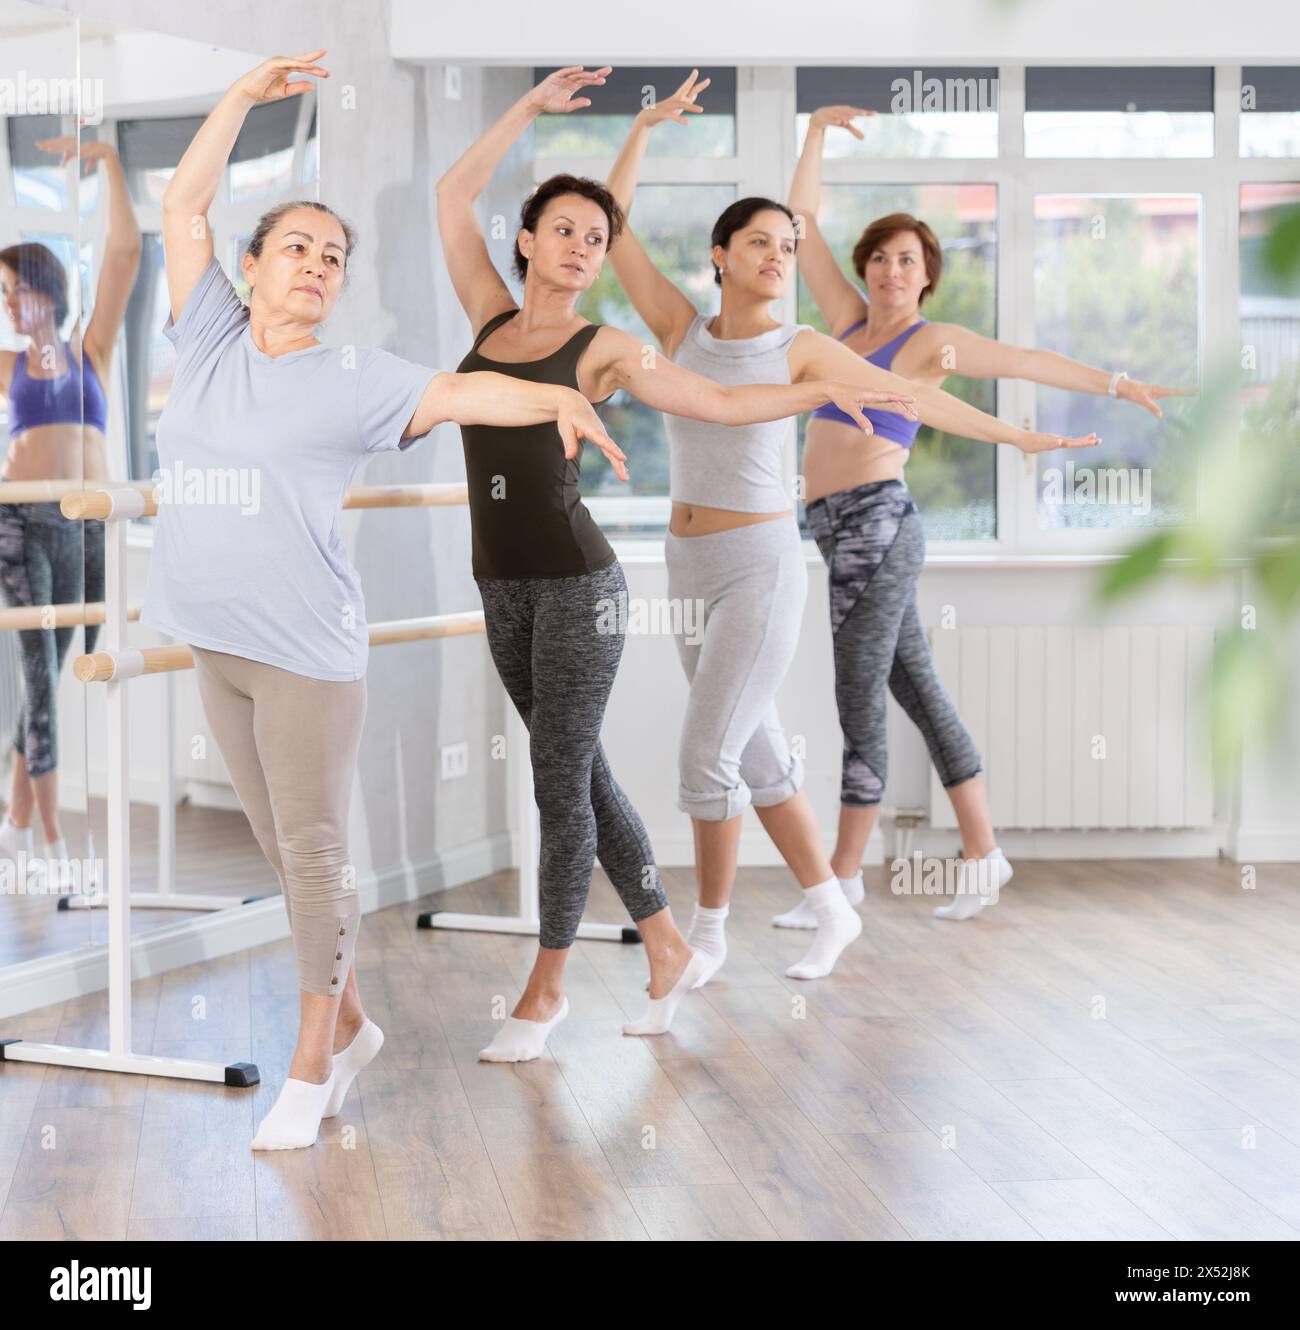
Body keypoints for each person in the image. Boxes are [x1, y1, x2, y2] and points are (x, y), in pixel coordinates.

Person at [145, 51, 630, 1150]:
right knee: (280, 853)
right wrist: (238, 101)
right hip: (213, 641)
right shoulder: (207, 338)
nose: (317, 264)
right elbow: (183, 204)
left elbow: (464, 389)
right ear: (254, 265)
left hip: (308, 656)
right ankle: (353, 1018)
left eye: (333, 255)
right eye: (298, 248)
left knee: (313, 854)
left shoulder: (354, 375)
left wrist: (557, 403)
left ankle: (313, 1065)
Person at [437, 65, 893, 1054]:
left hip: (584, 582)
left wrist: (822, 394)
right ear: (524, 240)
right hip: (503, 579)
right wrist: (544, 112)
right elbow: (450, 197)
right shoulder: (486, 319)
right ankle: (668, 941)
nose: (583, 244)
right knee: (584, 775)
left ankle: (552, 990)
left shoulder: (617, 343)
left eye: (595, 238)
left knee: (568, 782)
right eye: (562, 227)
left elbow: (726, 404)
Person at [603, 71, 1100, 978]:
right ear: (719, 256)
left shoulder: (802, 344)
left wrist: (1017, 436)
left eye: (786, 246)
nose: (777, 255)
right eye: (758, 243)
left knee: (704, 754)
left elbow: (913, 397)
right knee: (754, 754)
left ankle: (704, 937)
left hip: (759, 560)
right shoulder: (677, 329)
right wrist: (640, 127)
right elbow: (615, 230)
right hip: (685, 564)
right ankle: (834, 905)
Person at [785, 103, 1190, 922]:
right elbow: (798, 223)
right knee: (919, 693)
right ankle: (985, 855)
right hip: (836, 532)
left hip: (878, 524)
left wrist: (1116, 384)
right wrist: (816, 133)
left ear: (927, 275)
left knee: (856, 699)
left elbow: (1027, 359)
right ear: (865, 268)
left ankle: (839, 883)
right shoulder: (847, 328)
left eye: (908, 261)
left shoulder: (933, 342)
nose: (892, 271)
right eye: (881, 259)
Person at [0, 137, 139, 887]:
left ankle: (13, 823)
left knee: (53, 676)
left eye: (13, 289)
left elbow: (122, 251)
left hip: (91, 526)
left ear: (44, 288)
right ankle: (52, 846)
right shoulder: (8, 364)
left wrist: (111, 161)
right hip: (21, 523)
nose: (10, 307)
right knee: (39, 680)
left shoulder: (92, 346)